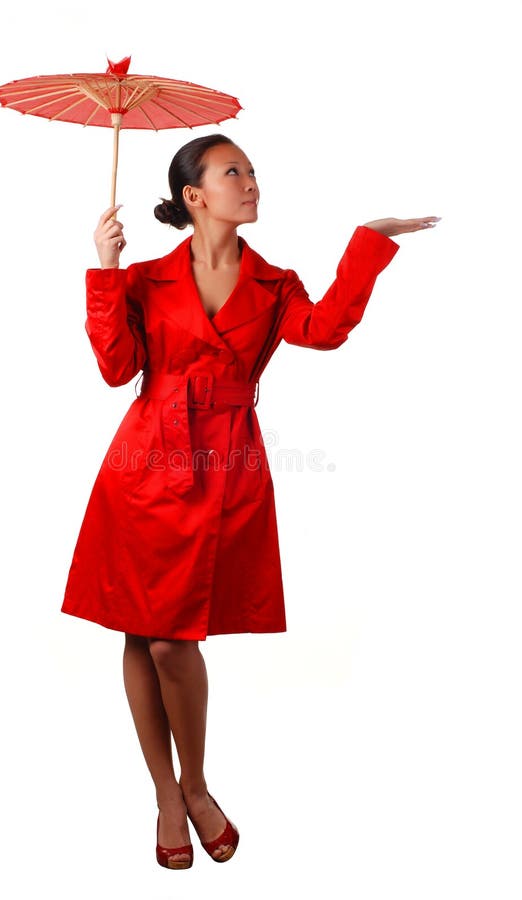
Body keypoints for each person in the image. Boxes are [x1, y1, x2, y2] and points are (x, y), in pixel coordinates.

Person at [61, 133, 440, 869]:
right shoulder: (142, 278)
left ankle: (192, 786)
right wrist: (105, 270)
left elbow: (324, 331)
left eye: (254, 170)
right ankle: (174, 795)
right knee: (145, 632)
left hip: (227, 464)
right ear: (195, 197)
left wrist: (367, 243)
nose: (252, 181)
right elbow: (115, 370)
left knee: (171, 636)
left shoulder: (274, 283)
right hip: (143, 465)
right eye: (234, 172)